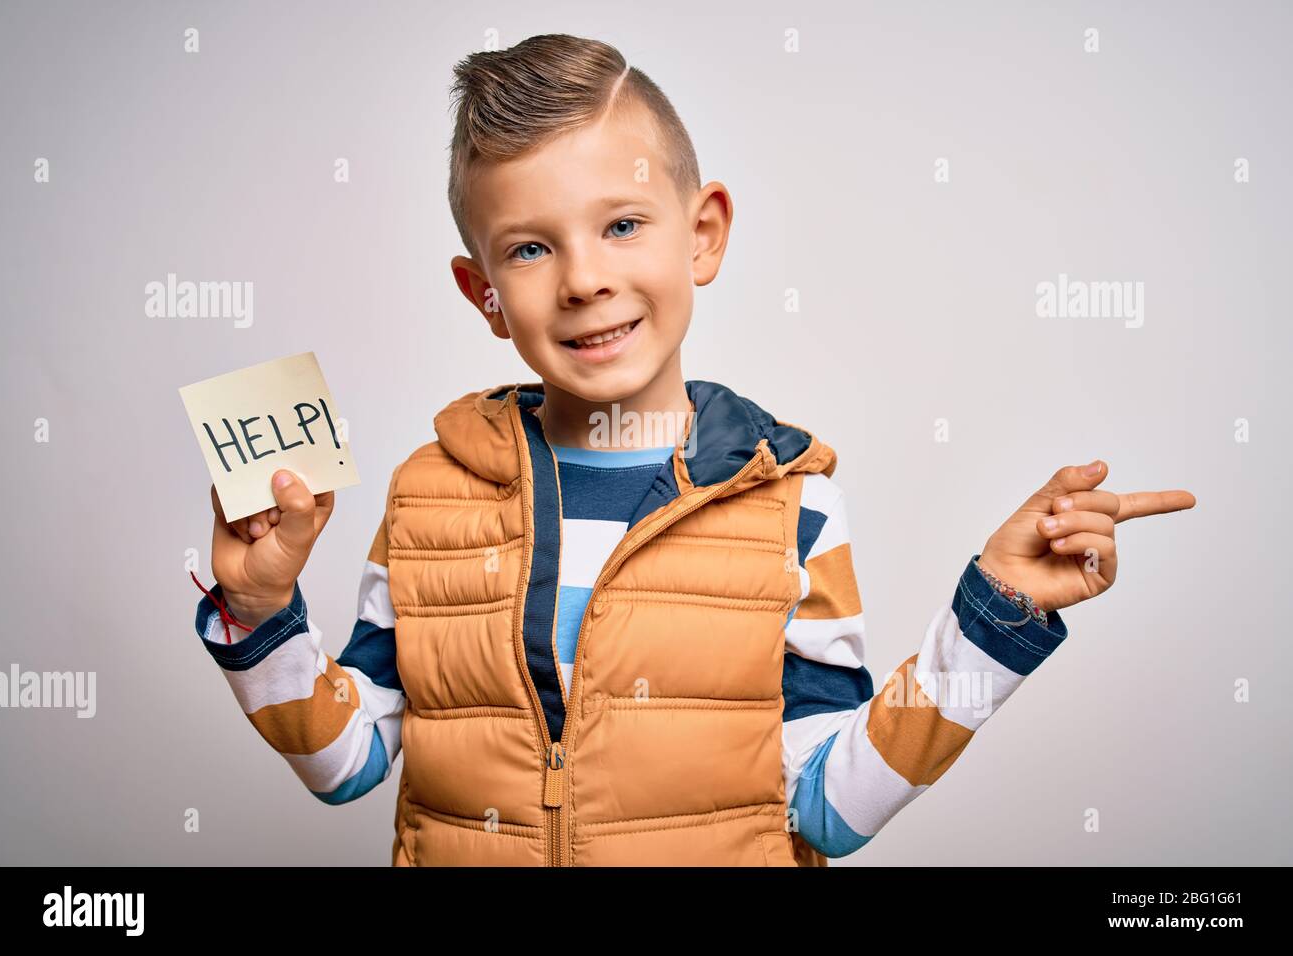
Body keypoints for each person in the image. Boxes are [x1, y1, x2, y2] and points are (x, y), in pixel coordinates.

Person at [193, 34, 1195, 866]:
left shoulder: (789, 504)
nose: (584, 278)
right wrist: (257, 609)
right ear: (482, 292)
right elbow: (348, 763)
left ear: (702, 233)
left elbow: (830, 804)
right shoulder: (426, 498)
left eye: (622, 224)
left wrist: (991, 620)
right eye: (531, 248)